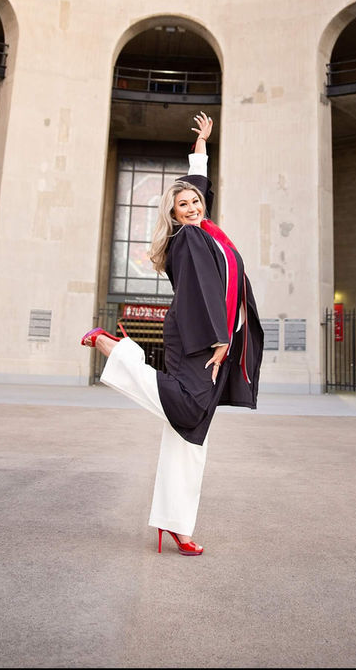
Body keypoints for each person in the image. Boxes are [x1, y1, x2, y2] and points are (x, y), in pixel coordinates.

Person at [82, 111, 264, 555]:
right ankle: (117, 351)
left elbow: (198, 186)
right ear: (174, 214)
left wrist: (201, 146)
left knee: (190, 430)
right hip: (201, 337)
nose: (193, 207)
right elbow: (201, 290)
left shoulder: (209, 231)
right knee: (188, 406)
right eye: (183, 205)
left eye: (196, 202)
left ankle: (177, 525)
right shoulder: (189, 239)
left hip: (218, 336)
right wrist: (220, 338)